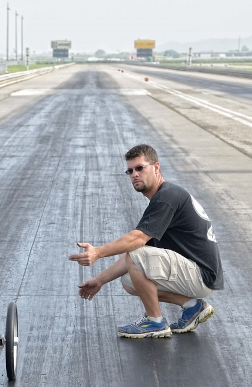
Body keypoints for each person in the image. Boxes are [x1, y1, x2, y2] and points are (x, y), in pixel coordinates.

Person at [69, 144, 223, 338]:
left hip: (201, 274)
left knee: (136, 254)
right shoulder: (162, 198)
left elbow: (136, 241)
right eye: (130, 170)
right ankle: (192, 306)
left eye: (140, 168)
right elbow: (138, 251)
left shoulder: (166, 197)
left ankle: (155, 321)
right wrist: (99, 280)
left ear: (156, 167)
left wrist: (98, 252)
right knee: (130, 282)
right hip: (197, 273)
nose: (134, 174)